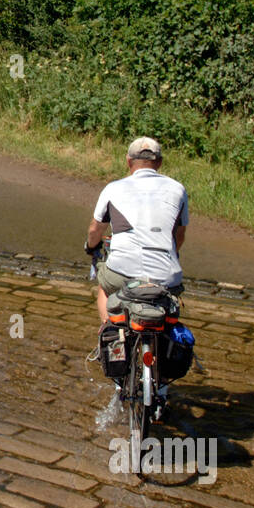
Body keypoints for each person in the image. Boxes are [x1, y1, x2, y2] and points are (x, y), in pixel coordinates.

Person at [86, 137, 189, 419]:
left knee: (104, 287)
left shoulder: (114, 188)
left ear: (128, 162)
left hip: (123, 271)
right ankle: (163, 379)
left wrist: (92, 247)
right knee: (167, 305)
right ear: (160, 163)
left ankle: (111, 332)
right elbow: (178, 236)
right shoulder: (178, 189)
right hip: (165, 274)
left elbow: (96, 228)